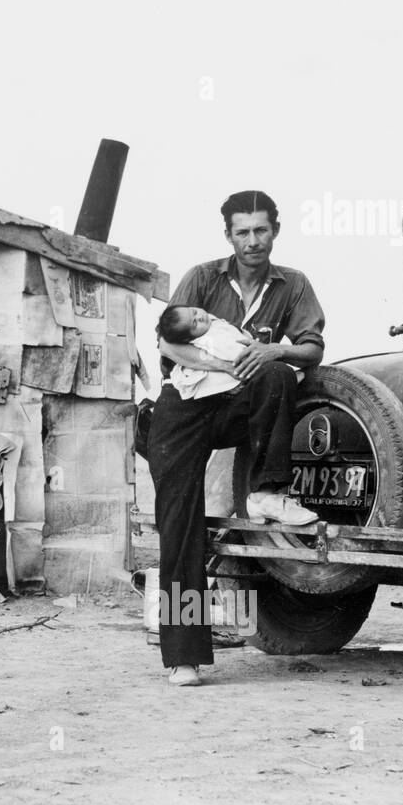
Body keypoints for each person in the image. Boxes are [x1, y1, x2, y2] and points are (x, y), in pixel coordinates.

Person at [149, 190, 325, 687]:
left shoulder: (294, 285)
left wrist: (273, 351)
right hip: (182, 410)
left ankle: (268, 492)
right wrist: (222, 363)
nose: (253, 241)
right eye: (242, 232)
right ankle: (184, 656)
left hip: (237, 407)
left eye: (261, 230)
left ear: (276, 230)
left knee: (277, 373)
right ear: (228, 235)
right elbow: (167, 341)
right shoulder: (202, 278)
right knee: (180, 527)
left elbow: (312, 346)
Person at [156, 305, 252, 401]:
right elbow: (237, 353)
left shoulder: (207, 322)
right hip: (233, 383)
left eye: (194, 312)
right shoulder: (208, 340)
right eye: (195, 323)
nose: (200, 317)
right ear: (189, 338)